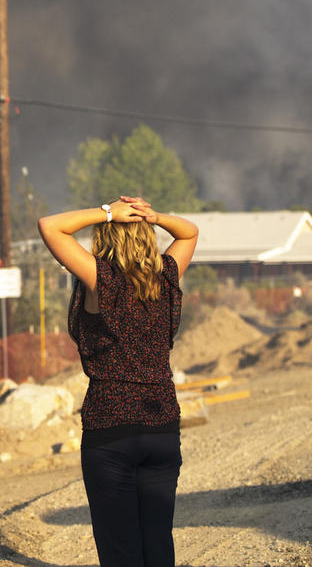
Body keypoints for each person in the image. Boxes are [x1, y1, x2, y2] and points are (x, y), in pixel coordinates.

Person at [38, 196, 198, 567]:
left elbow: (50, 226)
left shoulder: (102, 279)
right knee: (158, 541)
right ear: (147, 238)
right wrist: (153, 216)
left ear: (105, 241)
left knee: (120, 547)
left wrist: (107, 213)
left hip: (111, 428)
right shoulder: (166, 276)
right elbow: (190, 233)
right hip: (161, 425)